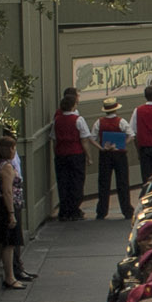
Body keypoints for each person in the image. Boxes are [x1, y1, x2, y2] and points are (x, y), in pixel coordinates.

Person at [0, 136, 29, 289]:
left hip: (4, 206)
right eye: (13, 148)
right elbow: (7, 191)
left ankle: (11, 275)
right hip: (7, 207)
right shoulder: (6, 167)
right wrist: (11, 213)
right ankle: (10, 277)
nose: (14, 151)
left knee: (10, 242)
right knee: (9, 242)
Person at [91, 99, 133, 221]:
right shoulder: (121, 121)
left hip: (105, 155)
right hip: (119, 154)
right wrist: (122, 144)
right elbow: (131, 135)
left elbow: (92, 138)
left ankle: (101, 211)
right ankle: (127, 210)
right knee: (123, 182)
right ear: (115, 109)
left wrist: (101, 148)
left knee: (104, 183)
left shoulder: (99, 122)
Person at [52, 89, 88, 221]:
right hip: (75, 153)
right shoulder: (78, 119)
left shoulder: (57, 120)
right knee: (77, 182)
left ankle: (64, 210)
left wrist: (56, 152)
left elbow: (54, 139)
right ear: (73, 105)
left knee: (63, 182)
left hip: (61, 154)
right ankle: (74, 210)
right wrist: (88, 155)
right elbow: (84, 139)